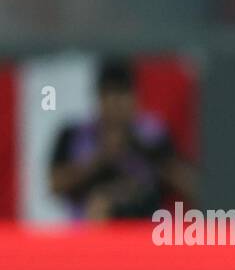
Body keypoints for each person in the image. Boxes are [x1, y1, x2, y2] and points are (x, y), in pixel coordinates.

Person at [49, 59, 194, 220]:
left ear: (135, 98)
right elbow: (55, 184)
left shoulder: (153, 134)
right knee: (100, 202)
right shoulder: (75, 134)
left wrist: (143, 150)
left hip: (145, 226)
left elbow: (190, 184)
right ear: (99, 98)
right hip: (88, 229)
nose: (115, 105)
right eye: (108, 95)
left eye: (121, 95)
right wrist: (101, 159)